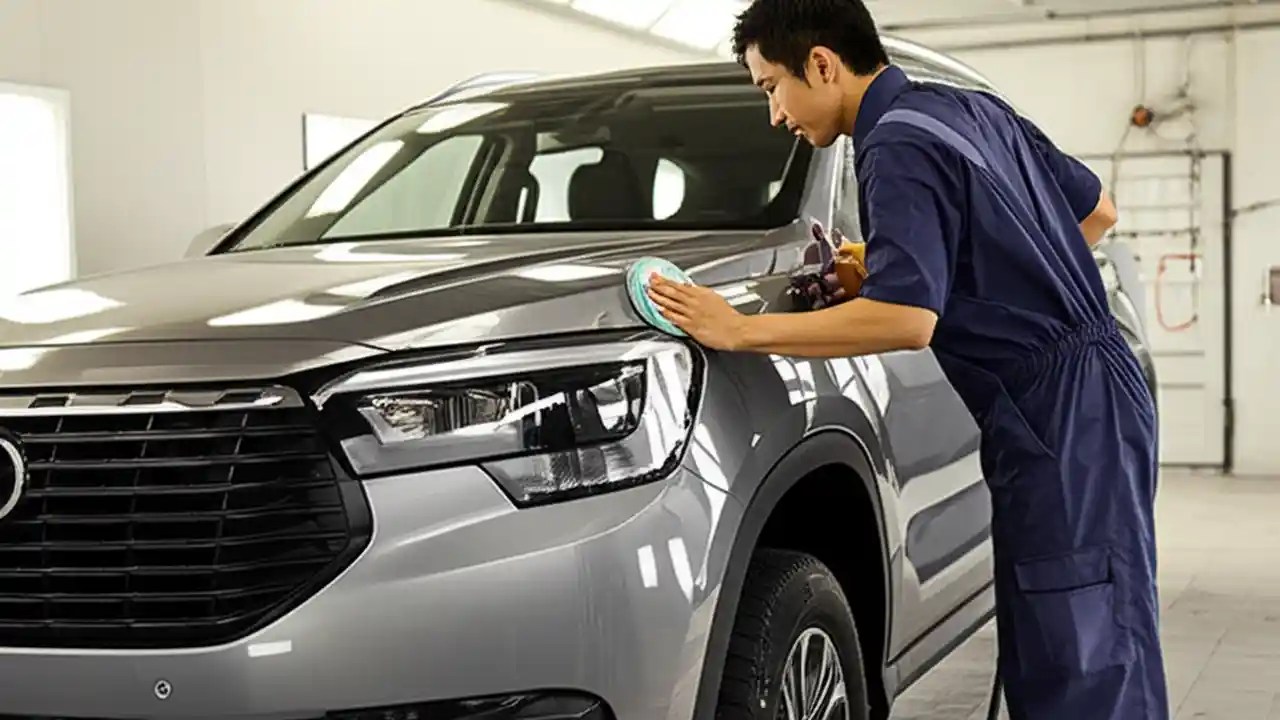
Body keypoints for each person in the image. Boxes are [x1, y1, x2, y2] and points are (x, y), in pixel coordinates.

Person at [644, 1, 1169, 718]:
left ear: (822, 64)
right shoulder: (969, 108)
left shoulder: (891, 145)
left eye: (770, 87)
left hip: (1062, 411)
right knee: (1083, 623)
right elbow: (1097, 211)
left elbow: (907, 319)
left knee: (1082, 645)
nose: (775, 114)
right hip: (1087, 393)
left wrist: (737, 330)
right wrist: (952, 265)